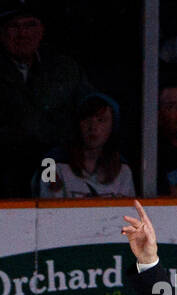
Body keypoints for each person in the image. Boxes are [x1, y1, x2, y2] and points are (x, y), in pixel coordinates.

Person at [0, 0, 94, 197]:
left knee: (54, 199)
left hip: (51, 162)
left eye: (30, 25)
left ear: (42, 30)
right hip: (5, 167)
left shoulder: (64, 69)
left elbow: (91, 111)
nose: (22, 33)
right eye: (14, 26)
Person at [37, 92, 135, 198]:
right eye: (86, 119)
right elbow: (46, 211)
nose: (93, 127)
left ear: (113, 125)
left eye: (101, 120)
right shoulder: (51, 164)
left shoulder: (123, 170)